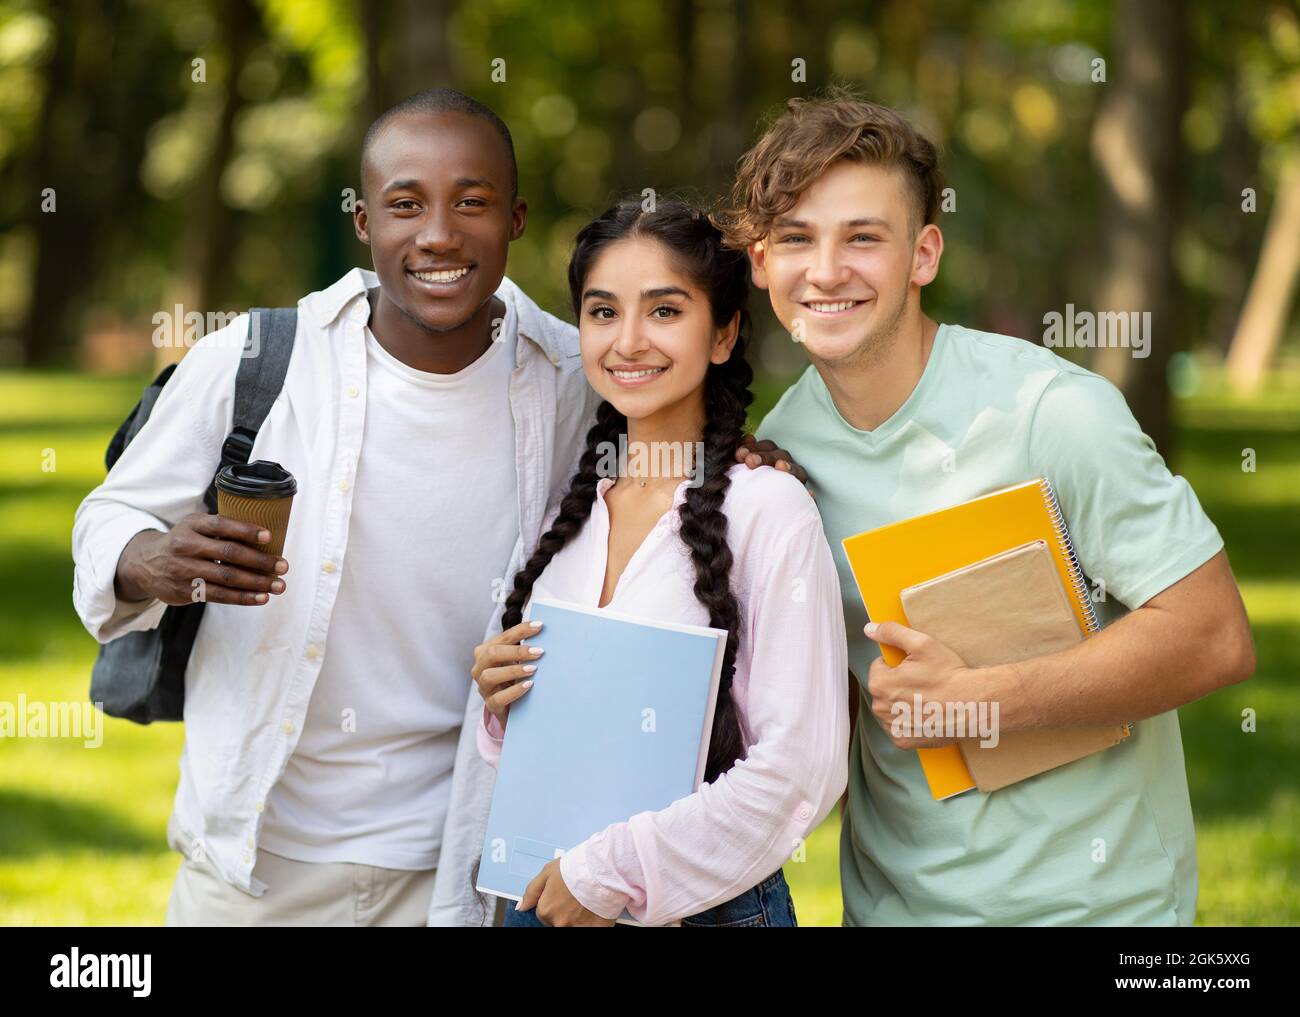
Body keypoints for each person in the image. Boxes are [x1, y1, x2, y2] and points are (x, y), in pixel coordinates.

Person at [70, 89, 796, 927]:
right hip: (257, 864)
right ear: (362, 221)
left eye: (473, 203)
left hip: (463, 864)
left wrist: (734, 452)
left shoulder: (571, 372)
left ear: (516, 218)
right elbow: (107, 517)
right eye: (406, 204)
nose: (440, 234)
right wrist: (146, 559)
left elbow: (664, 436)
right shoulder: (260, 359)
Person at [719, 87, 1256, 926]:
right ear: (760, 263)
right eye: (796, 239)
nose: (825, 271)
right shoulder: (780, 455)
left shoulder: (1053, 411)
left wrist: (983, 698)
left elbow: (1215, 636)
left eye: (864, 237)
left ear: (923, 254)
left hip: (1098, 912)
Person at [469, 199, 849, 927]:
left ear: (724, 333)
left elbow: (804, 765)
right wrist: (500, 701)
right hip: (542, 897)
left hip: (705, 908)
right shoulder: (568, 515)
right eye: (602, 312)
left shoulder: (770, 509)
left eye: (665, 311)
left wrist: (610, 872)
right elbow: (555, 753)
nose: (628, 340)